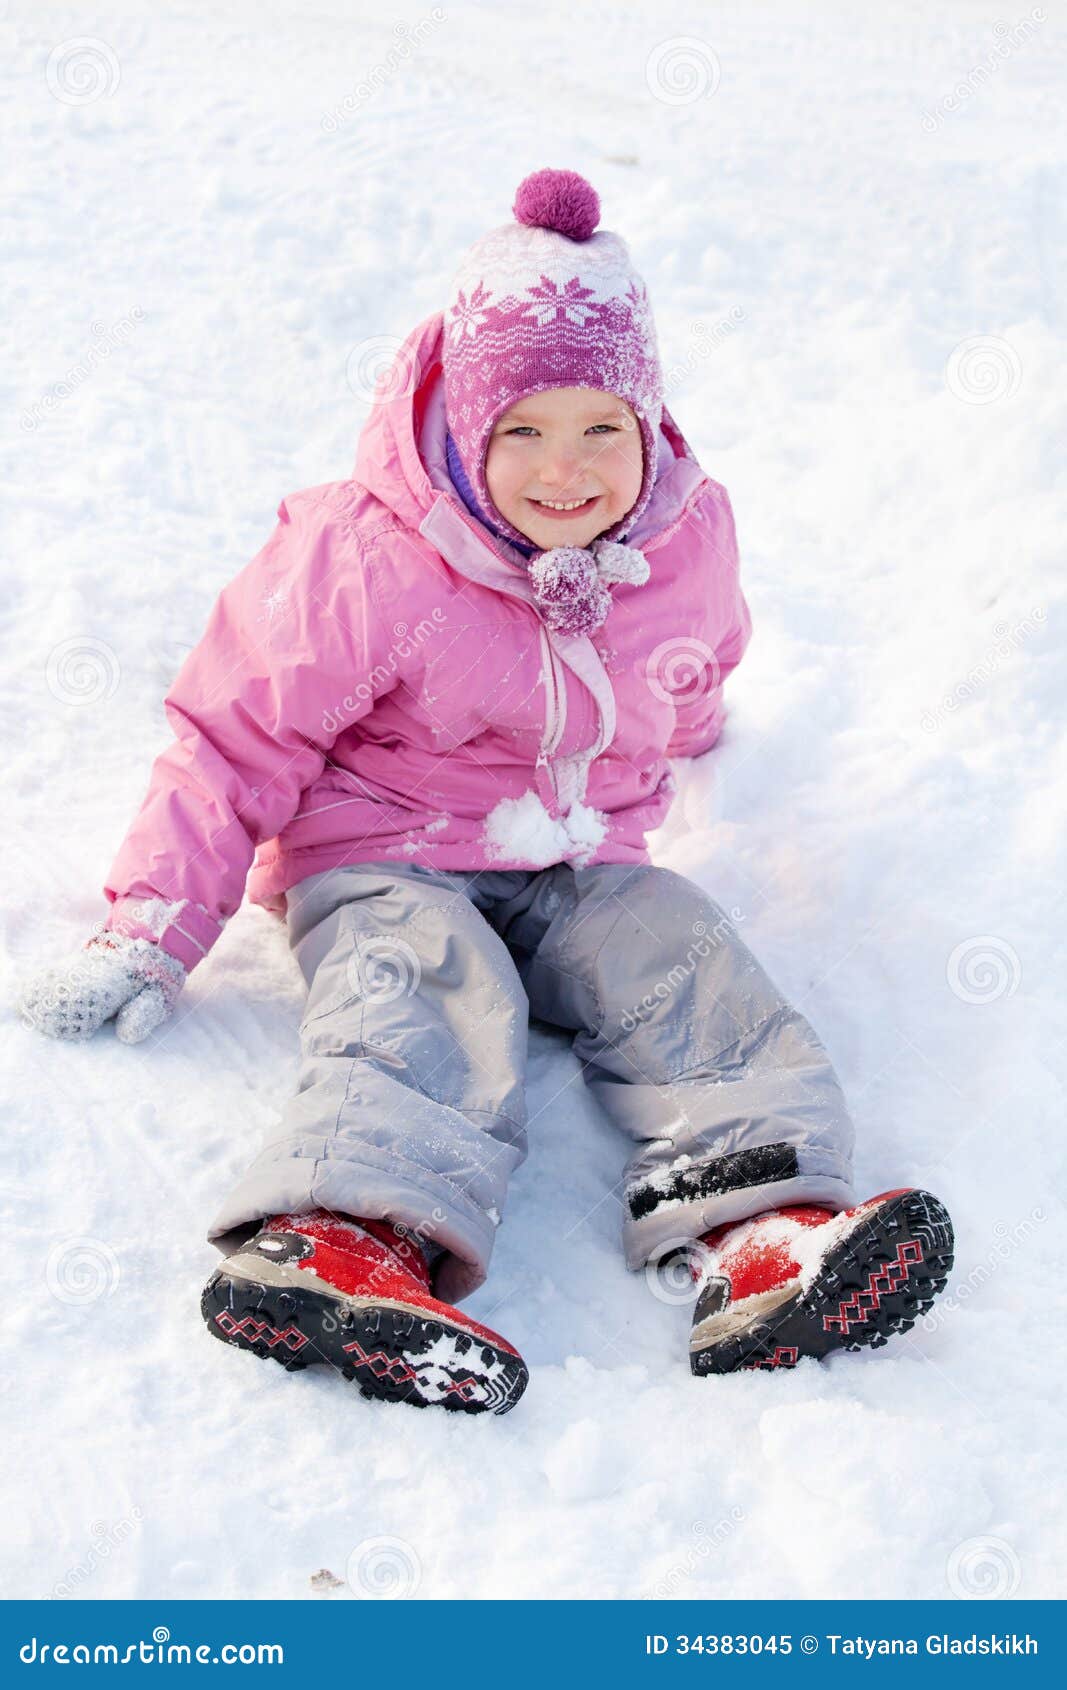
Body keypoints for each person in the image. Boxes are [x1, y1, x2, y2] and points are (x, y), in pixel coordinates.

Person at [16, 168, 954, 1416]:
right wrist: (152, 923)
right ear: (463, 422)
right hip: (385, 847)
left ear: (647, 421)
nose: (565, 472)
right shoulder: (367, 554)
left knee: (680, 952)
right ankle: (342, 1236)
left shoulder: (685, 534)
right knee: (429, 980)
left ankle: (765, 1229)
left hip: (576, 851)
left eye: (599, 430)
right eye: (520, 431)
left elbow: (699, 656)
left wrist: (695, 733)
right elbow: (232, 736)